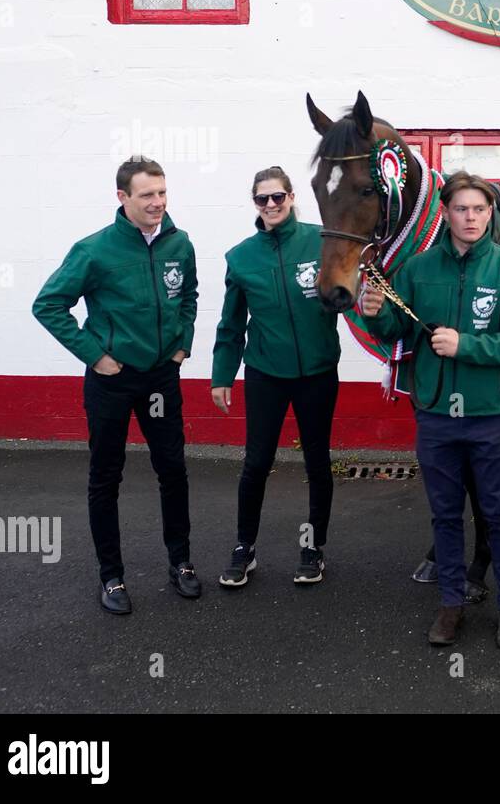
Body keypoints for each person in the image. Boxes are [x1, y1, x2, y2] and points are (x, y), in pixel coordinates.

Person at [360, 171, 500, 650]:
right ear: (446, 213)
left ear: (490, 214)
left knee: (499, 513)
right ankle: (451, 604)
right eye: (462, 209)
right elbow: (398, 328)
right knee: (444, 515)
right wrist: (376, 312)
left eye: (480, 209)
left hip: (490, 414)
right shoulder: (417, 270)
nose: (471, 217)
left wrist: (465, 345)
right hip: (436, 412)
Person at [32, 155, 200, 614]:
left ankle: (181, 562)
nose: (158, 203)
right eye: (147, 194)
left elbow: (189, 297)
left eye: (163, 192)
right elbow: (48, 305)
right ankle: (112, 577)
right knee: (106, 476)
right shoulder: (94, 250)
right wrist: (95, 356)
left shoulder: (178, 244)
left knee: (173, 469)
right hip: (112, 381)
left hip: (161, 378)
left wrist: (181, 345)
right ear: (123, 197)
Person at [211, 167, 341, 588]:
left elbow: (348, 295)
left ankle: (312, 547)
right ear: (254, 203)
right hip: (266, 372)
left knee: (317, 462)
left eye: (278, 197)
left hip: (318, 372)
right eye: (262, 199)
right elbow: (231, 325)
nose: (271, 205)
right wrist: (221, 376)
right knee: (256, 462)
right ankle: (244, 548)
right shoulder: (241, 257)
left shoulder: (322, 241)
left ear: (291, 197)